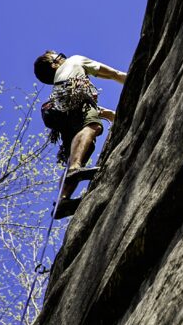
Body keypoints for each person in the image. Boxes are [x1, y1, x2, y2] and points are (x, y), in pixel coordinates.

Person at [33, 51, 127, 216]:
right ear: (54, 63)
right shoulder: (74, 60)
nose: (63, 56)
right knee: (92, 127)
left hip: (60, 113)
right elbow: (114, 74)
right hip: (75, 98)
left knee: (81, 150)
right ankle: (75, 169)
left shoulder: (59, 87)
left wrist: (109, 114)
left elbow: (88, 111)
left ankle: (62, 200)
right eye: (59, 55)